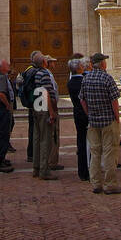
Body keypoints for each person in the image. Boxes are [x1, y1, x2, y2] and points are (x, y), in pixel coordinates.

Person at [79, 52, 121, 194]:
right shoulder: (107, 78)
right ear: (102, 64)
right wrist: (117, 117)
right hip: (108, 121)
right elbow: (114, 101)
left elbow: (82, 99)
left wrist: (89, 113)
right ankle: (110, 184)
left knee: (95, 152)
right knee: (110, 152)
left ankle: (96, 183)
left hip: (93, 122)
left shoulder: (86, 79)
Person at [28, 51, 60, 180]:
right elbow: (46, 92)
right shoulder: (44, 73)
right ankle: (44, 170)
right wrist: (52, 112)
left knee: (36, 138)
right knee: (46, 139)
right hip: (44, 108)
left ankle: (36, 167)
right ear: (43, 62)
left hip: (36, 106)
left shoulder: (34, 73)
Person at [67, 56, 90, 182]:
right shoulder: (85, 81)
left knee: (81, 142)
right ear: (80, 68)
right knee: (91, 142)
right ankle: (90, 168)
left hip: (77, 114)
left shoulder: (70, 83)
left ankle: (82, 171)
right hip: (87, 114)